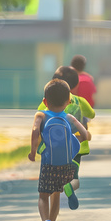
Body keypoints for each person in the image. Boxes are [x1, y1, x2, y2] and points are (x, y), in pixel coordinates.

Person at [29, 79, 91, 221]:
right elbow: (86, 135)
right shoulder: (69, 117)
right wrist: (76, 137)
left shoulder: (41, 115)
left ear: (44, 101)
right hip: (65, 164)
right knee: (57, 193)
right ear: (68, 102)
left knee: (43, 195)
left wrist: (33, 152)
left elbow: (35, 131)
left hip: (48, 164)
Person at [37, 66, 94, 210]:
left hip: (52, 150)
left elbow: (39, 119)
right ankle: (69, 185)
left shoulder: (45, 103)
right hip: (76, 148)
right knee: (74, 179)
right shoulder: (79, 101)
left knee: (51, 182)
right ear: (75, 85)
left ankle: (49, 219)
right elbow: (92, 114)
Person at [70, 55, 97, 121]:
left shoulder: (70, 78)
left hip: (73, 113)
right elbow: (93, 98)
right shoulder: (89, 79)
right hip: (87, 113)